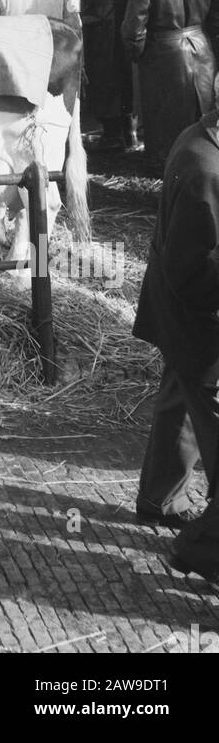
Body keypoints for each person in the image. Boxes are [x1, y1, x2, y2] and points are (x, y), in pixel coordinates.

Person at [131, 113, 219, 574]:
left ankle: (160, 495)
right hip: (202, 324)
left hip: (178, 313)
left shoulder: (198, 134)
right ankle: (204, 549)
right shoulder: (209, 168)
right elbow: (195, 271)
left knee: (177, 397)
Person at [121, 0, 219, 171]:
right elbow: (217, 16)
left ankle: (171, 170)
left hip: (161, 54)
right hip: (202, 47)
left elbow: (133, 31)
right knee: (204, 111)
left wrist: (137, 55)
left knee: (165, 118)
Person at [68, 0, 141, 153]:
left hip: (104, 21)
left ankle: (113, 138)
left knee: (106, 77)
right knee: (121, 77)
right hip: (119, 16)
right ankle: (127, 134)